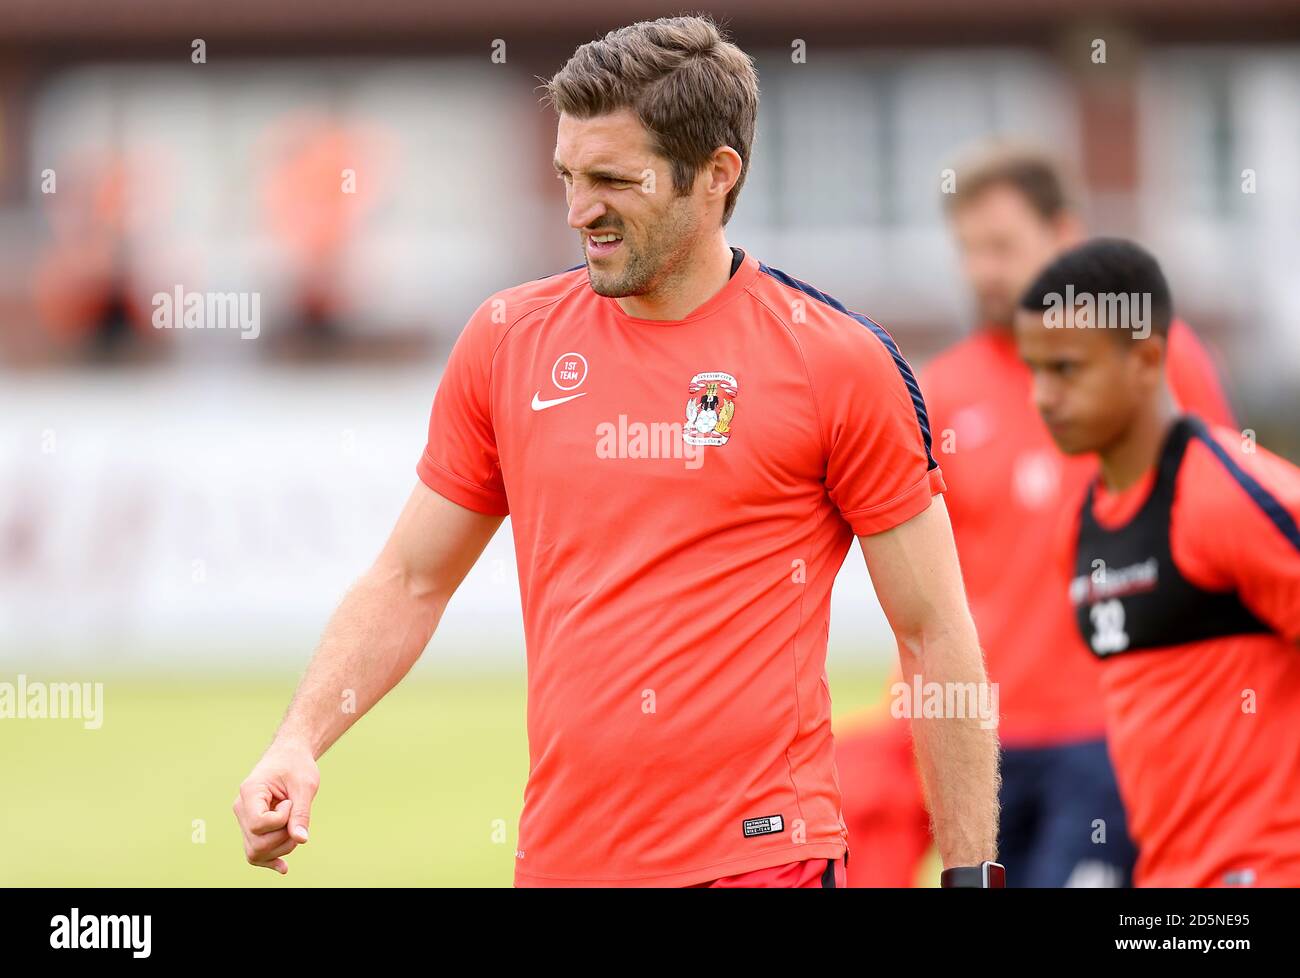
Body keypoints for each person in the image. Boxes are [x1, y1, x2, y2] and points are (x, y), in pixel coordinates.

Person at [232, 15, 1000, 888]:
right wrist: (298, 742)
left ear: (716, 176)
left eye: (611, 179)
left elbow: (934, 633)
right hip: (563, 863)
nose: (578, 210)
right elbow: (411, 579)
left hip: (762, 859)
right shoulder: (507, 341)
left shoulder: (835, 361)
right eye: (566, 176)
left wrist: (972, 877)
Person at [839, 146, 1235, 887]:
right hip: (981, 744)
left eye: (1002, 246)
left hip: (1112, 735)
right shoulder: (938, 393)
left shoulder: (1154, 359)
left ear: (1063, 234)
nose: (982, 270)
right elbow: (921, 590)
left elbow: (1226, 524)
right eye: (967, 250)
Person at [1015, 237, 1300, 886]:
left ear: (1145, 359)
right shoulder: (1082, 525)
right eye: (1031, 369)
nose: (1041, 396)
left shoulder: (1231, 497)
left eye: (1065, 369)